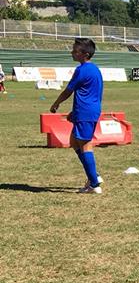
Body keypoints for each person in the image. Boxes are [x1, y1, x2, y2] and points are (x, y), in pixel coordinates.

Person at [48, 38, 104, 193]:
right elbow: (91, 93)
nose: (72, 52)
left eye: (75, 50)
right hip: (87, 110)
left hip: (86, 112)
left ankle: (94, 184)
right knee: (73, 141)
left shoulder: (82, 70)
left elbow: (68, 90)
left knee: (85, 145)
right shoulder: (94, 69)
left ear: (85, 54)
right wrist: (76, 111)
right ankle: (94, 175)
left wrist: (56, 103)